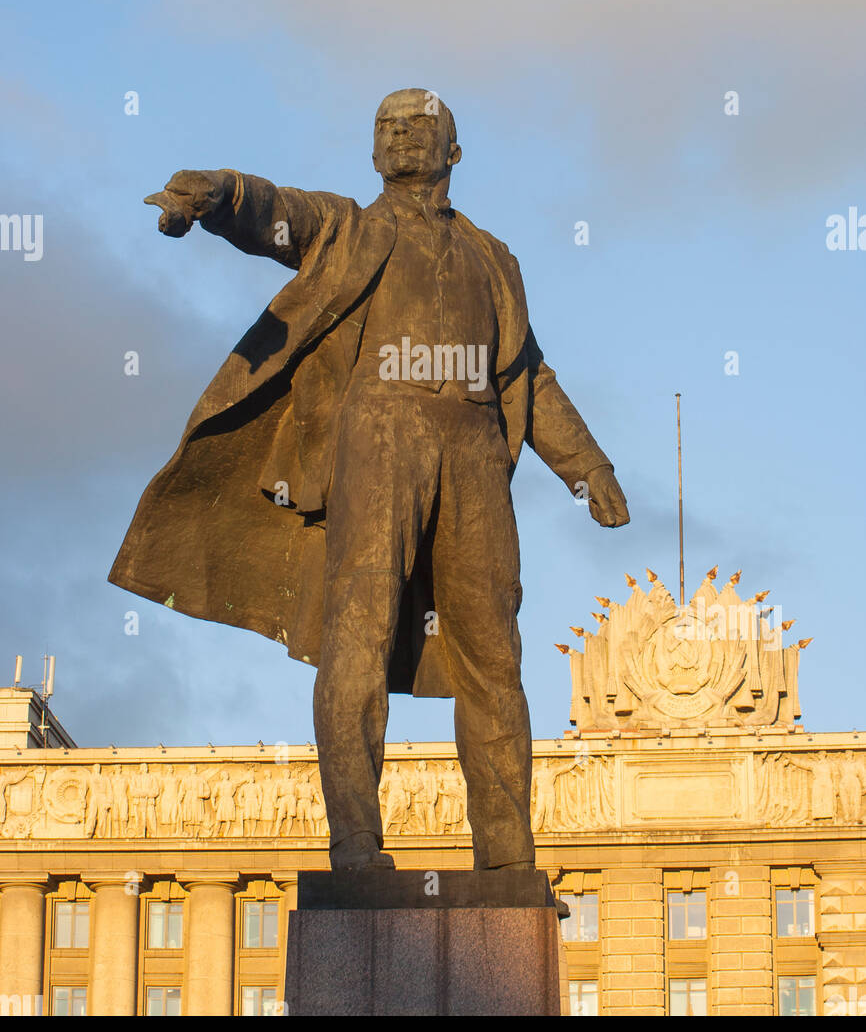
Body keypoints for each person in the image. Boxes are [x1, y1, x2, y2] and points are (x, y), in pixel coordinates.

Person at [110, 89, 629, 870]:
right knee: (359, 629)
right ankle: (356, 842)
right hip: (379, 433)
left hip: (476, 447)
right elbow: (277, 214)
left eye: (416, 124)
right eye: (385, 126)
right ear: (373, 151)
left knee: (494, 649)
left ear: (453, 150)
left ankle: (508, 856)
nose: (398, 134)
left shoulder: (494, 257)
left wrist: (588, 468)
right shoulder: (348, 228)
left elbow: (527, 373)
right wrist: (222, 194)